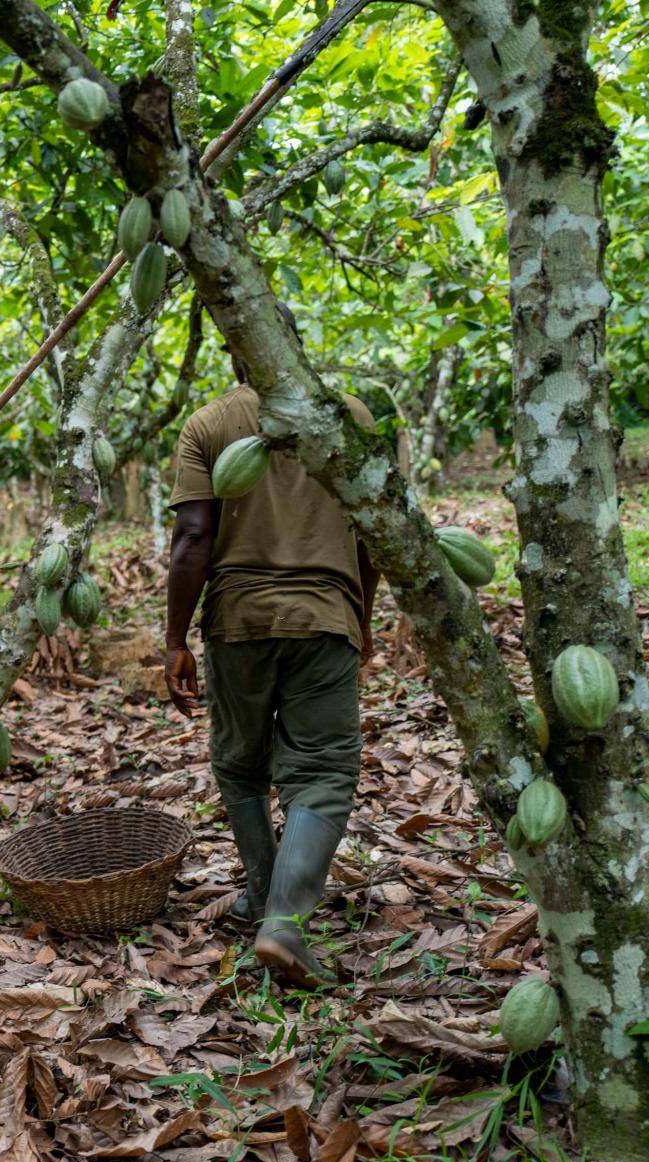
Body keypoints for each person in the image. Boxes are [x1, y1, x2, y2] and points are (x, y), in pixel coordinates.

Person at [162, 306, 378, 990]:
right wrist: (363, 614)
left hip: (238, 621)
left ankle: (263, 900)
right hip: (325, 617)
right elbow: (374, 531)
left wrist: (173, 639)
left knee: (241, 765)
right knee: (324, 771)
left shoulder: (209, 423)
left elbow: (193, 538)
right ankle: (281, 920)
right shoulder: (349, 417)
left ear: (237, 349)